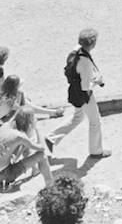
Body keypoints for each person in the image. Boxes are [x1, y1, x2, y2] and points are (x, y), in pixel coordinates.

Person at [46, 28, 111, 159]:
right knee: (95, 122)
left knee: (78, 117)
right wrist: (97, 81)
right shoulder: (85, 62)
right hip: (83, 95)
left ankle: (51, 138)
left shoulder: (75, 51)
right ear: (92, 44)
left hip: (73, 91)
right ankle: (96, 151)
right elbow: (85, 86)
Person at [0, 109, 54, 188]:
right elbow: (42, 148)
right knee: (42, 156)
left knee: (25, 143)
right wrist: (38, 130)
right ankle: (50, 185)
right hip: (4, 175)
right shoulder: (19, 136)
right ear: (28, 122)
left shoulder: (5, 125)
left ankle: (35, 170)